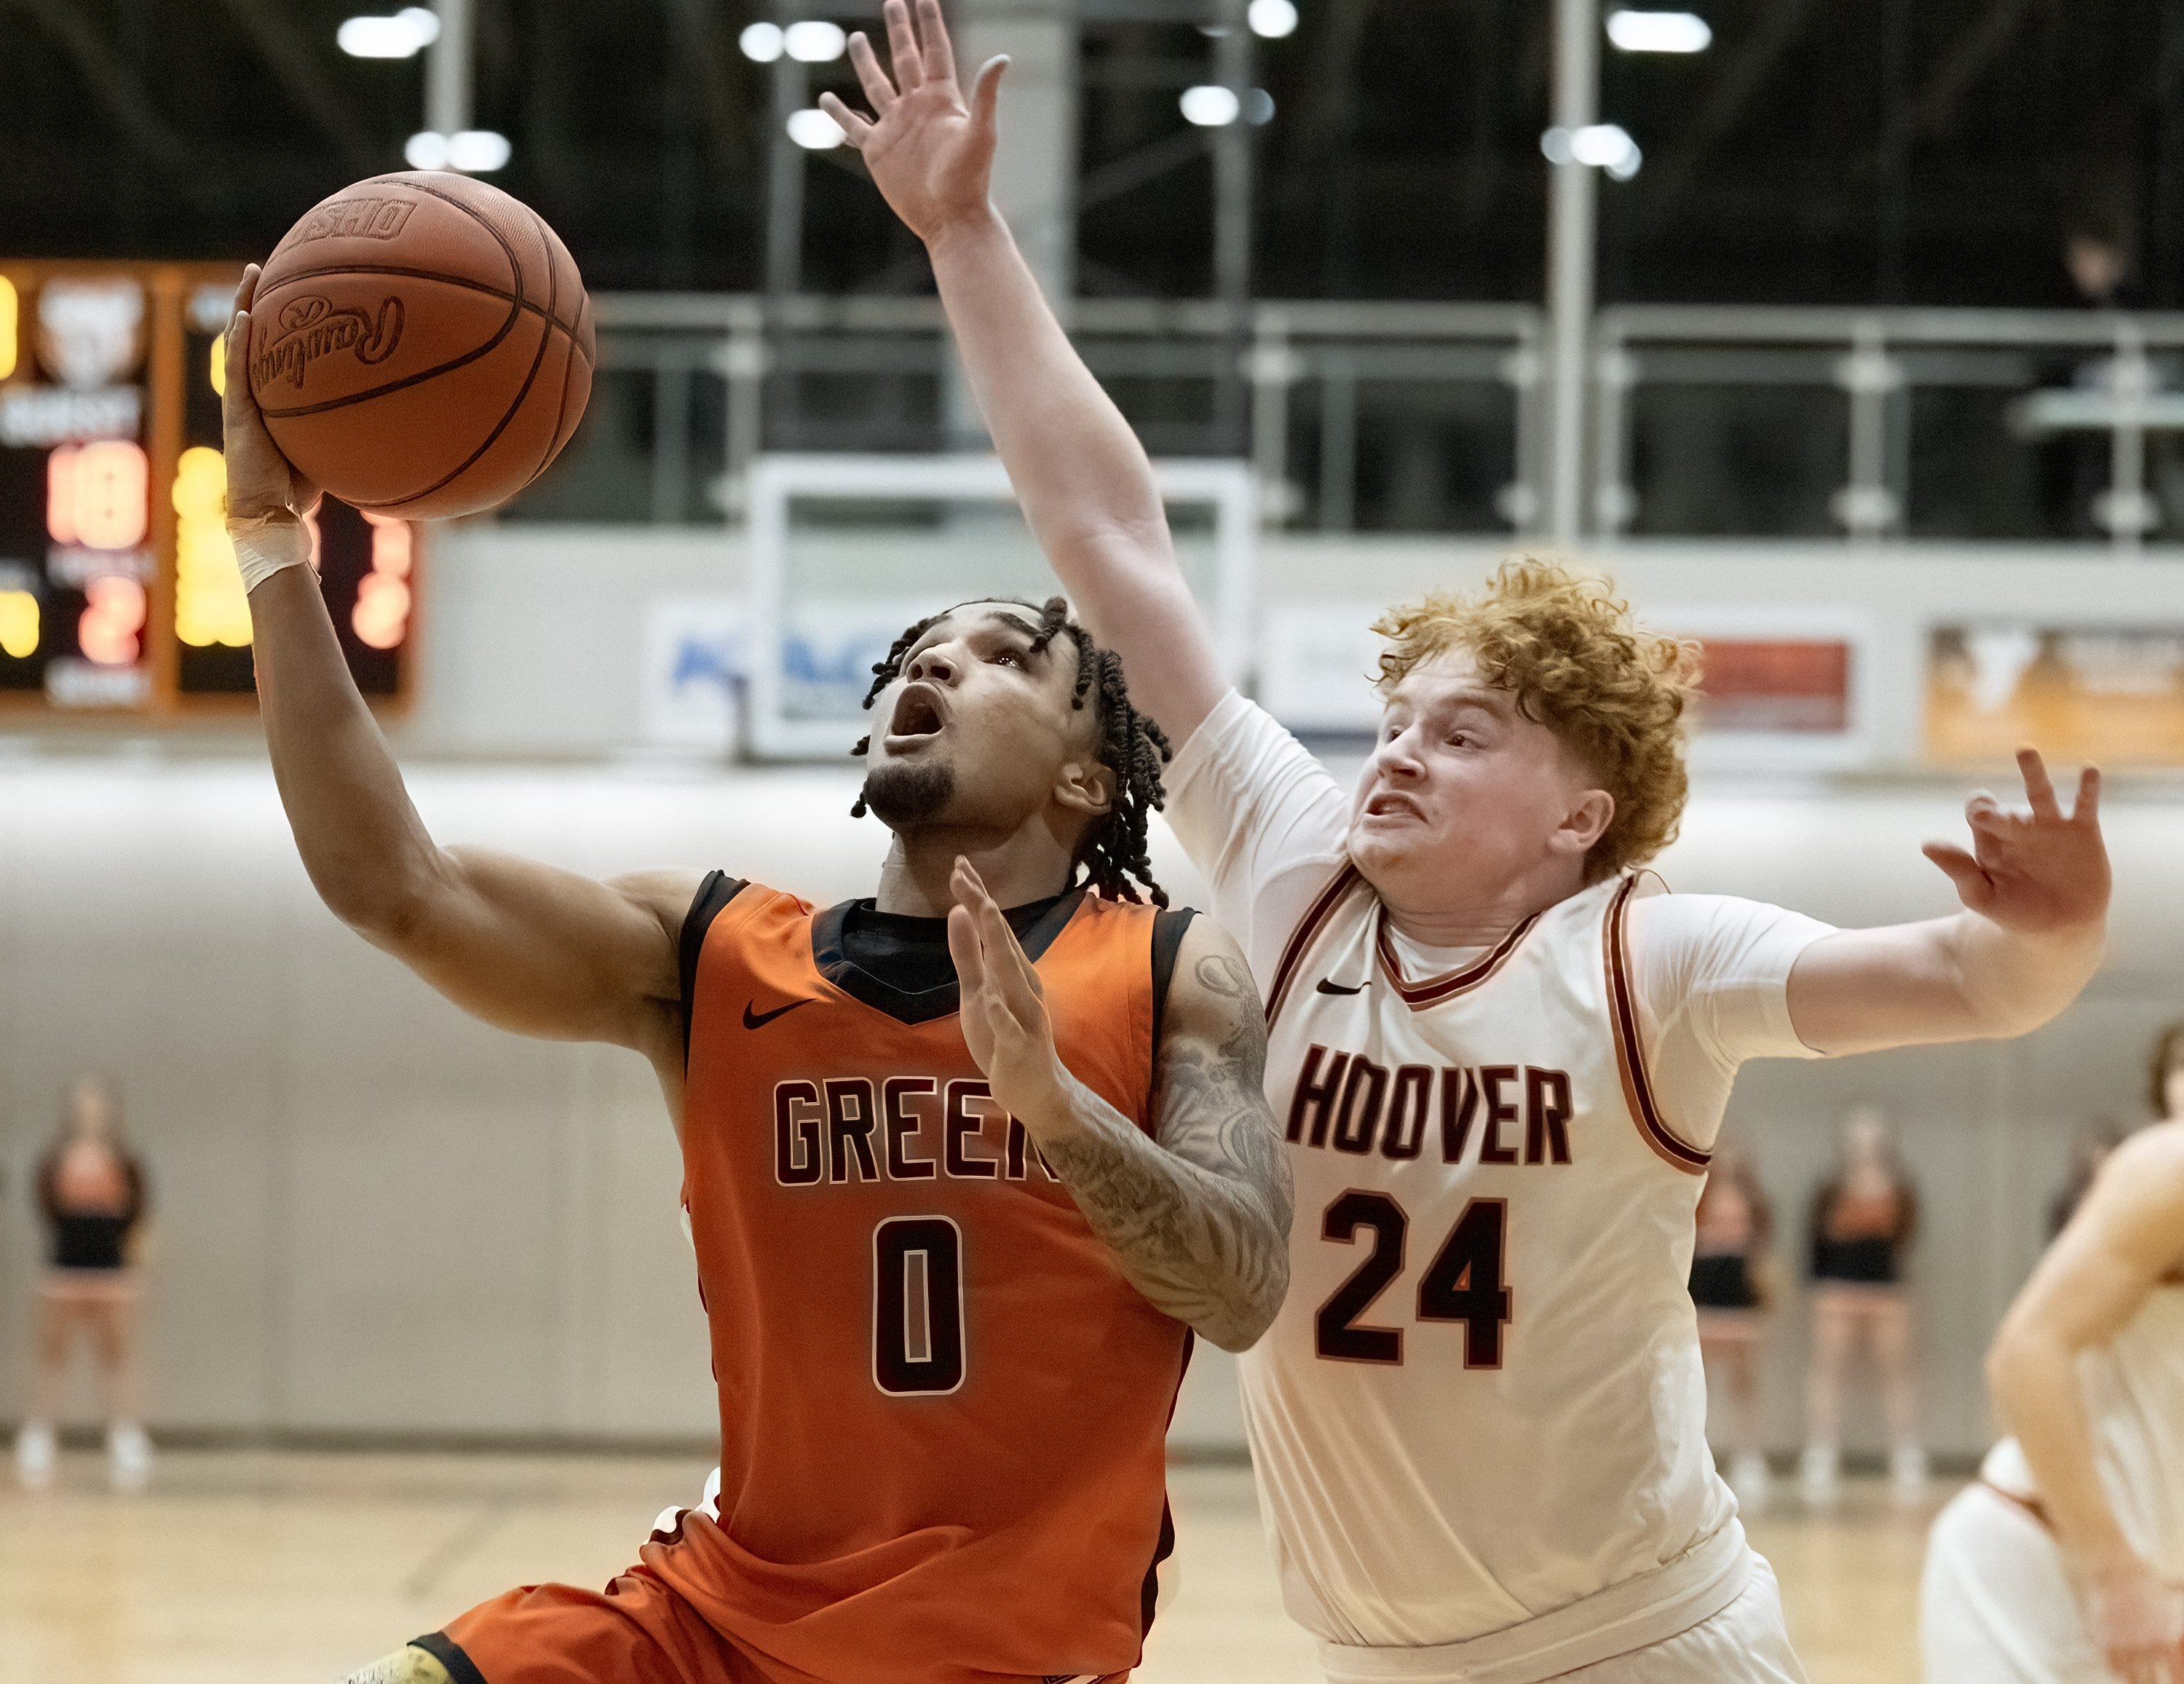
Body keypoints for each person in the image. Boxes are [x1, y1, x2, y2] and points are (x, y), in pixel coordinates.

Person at [820, 7, 2114, 1675]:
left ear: (1578, 815)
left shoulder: (1650, 957)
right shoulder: (1293, 864)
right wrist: (966, 231)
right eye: (1398, 714)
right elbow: (1108, 535)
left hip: (1645, 1641)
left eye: (1462, 733)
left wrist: (2053, 934)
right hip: (1374, 1654)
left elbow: (1961, 980)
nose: (1397, 753)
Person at [218, 265, 1291, 1684]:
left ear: (1092, 774)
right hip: (712, 1630)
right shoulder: (718, 951)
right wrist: (266, 546)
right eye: (918, 652)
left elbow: (1243, 1284)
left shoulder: (1165, 965)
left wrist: (1058, 1109)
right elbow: (396, 887)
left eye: (1001, 659)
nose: (936, 666)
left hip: (1009, 1656)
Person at [1922, 1022, 2184, 1684]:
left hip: (2156, 1594)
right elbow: (2024, 1356)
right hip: (2043, 1574)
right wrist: (2116, 1574)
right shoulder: (2171, 1171)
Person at [13, 1076, 154, 1493]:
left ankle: (125, 1434)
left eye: (97, 1104)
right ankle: (40, 1434)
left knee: (116, 1353)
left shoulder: (125, 1160)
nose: (90, 1111)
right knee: (52, 1352)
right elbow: (46, 1205)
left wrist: (131, 1261)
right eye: (83, 1104)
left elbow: (138, 1212)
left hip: (111, 1268)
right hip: (66, 1267)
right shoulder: (57, 1159)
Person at [1800, 1106, 1924, 1508]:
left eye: (1872, 1132)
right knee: (1829, 1371)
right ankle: (1823, 1454)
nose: (1865, 1140)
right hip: (1837, 1290)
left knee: (1897, 1372)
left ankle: (1905, 1455)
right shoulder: (1830, 1190)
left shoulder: (1900, 1189)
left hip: (1886, 1291)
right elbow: (1815, 1244)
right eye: (1857, 1132)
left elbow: (1905, 1238)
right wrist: (1817, 1289)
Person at [1690, 1142, 1776, 1511]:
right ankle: (1696, 1455)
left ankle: (1748, 1455)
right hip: (1703, 1300)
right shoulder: (1694, 1196)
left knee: (1744, 1382)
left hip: (1739, 1303)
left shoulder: (1753, 1202)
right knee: (1696, 1383)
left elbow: (1761, 1256)